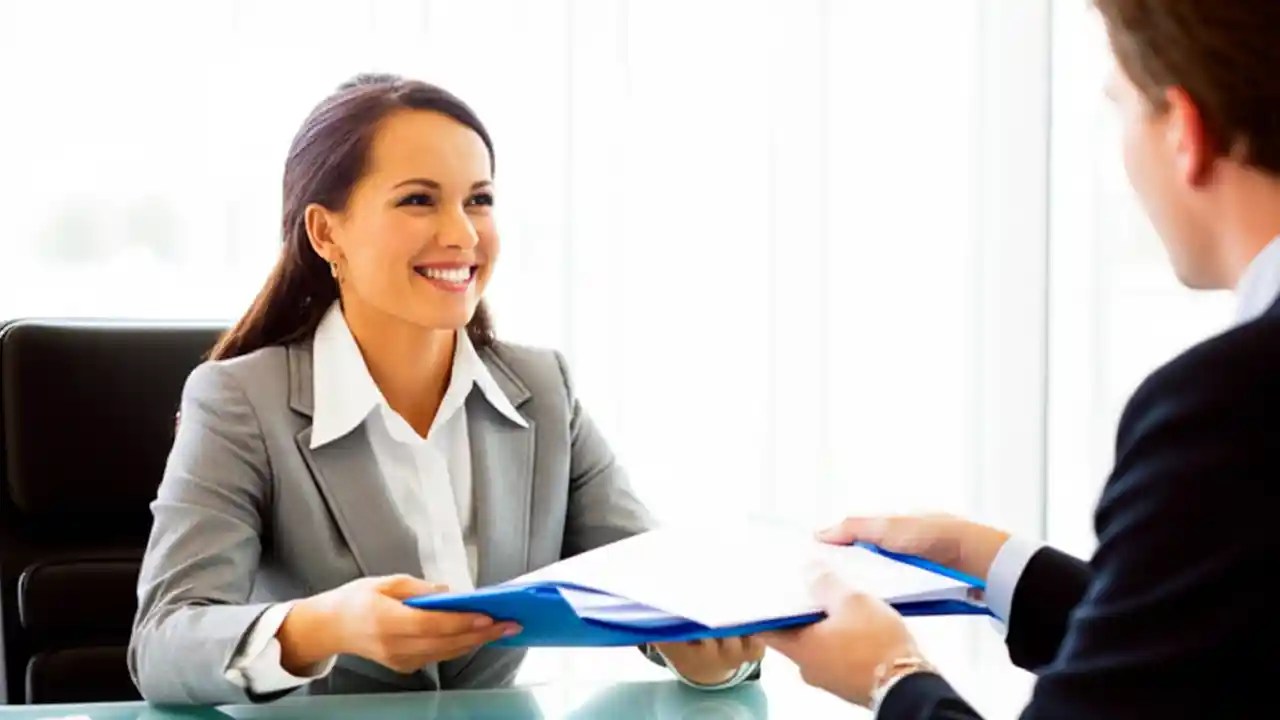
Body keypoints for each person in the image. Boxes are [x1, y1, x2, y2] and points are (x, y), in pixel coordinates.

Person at [128, 74, 762, 705]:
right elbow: (161, 642)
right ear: (326, 233)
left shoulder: (543, 391)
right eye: (418, 200)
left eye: (479, 200)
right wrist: (323, 627)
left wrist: (707, 655)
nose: (461, 234)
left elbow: (648, 581)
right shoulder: (239, 402)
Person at [762, 1, 1280, 717]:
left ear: (1186, 133)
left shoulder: (1221, 406)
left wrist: (891, 676)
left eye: (1121, 107)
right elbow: (1206, 646)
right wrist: (988, 562)